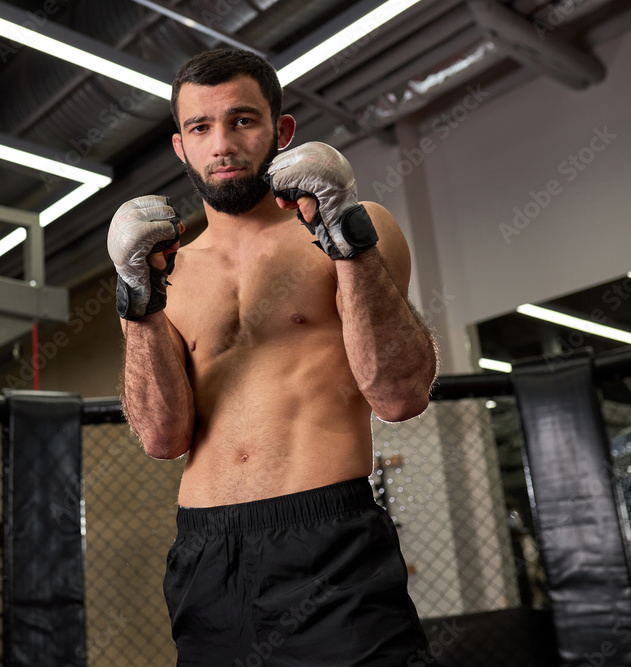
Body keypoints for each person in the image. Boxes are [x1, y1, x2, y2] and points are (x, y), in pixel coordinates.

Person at [107, 48, 438, 666]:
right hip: (205, 554)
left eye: (242, 120)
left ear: (281, 131)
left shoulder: (357, 227)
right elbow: (161, 438)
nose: (222, 145)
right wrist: (137, 303)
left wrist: (347, 242)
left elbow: (400, 395)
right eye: (200, 127)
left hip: (328, 541)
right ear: (180, 147)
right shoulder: (168, 271)